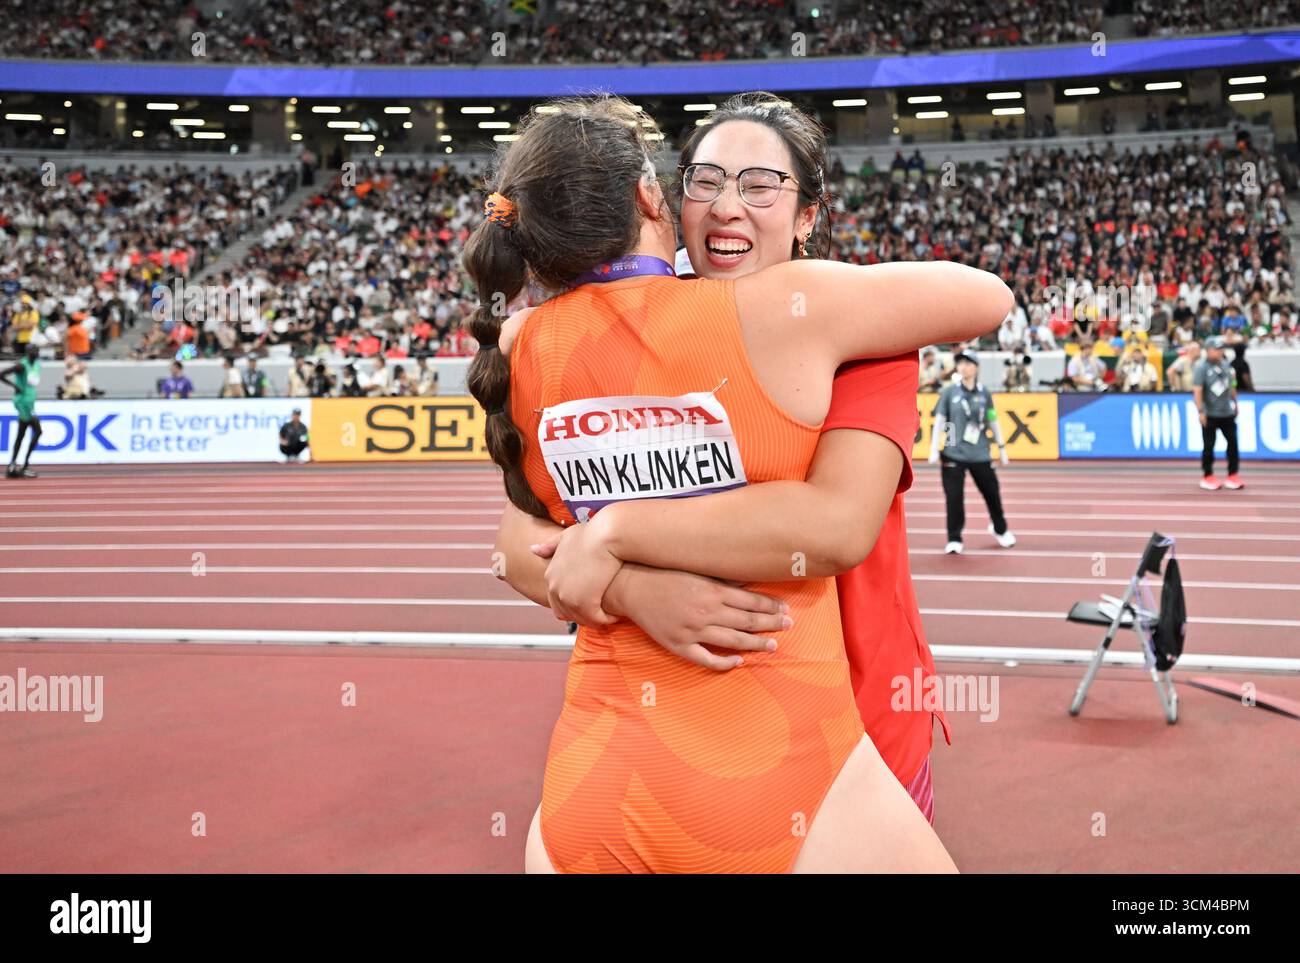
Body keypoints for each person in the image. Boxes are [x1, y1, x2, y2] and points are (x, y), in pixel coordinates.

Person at [467, 96, 1011, 874]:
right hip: (786, 744)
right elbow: (517, 545)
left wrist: (612, 537)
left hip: (851, 717)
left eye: (761, 186)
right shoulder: (771, 318)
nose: (726, 204)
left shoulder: (862, 338)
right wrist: (633, 591)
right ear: (662, 198)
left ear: (807, 216)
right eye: (706, 180)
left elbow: (832, 526)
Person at [928, 351, 1016, 555]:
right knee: (954, 498)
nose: (963, 366)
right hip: (953, 454)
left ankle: (1000, 529)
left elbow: (992, 420)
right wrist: (935, 449)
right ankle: (954, 538)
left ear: (976, 367)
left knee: (992, 493)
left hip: (980, 453)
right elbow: (942, 422)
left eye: (968, 363)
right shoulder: (949, 393)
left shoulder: (984, 393)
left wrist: (1001, 448)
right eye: (960, 363)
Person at [1194, 336, 1242, 490]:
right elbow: (1198, 390)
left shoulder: (1226, 365)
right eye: (1217, 349)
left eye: (1222, 349)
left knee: (1233, 444)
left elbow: (1232, 385)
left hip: (1227, 413)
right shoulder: (1201, 368)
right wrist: (1201, 411)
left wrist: (1235, 403)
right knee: (1209, 445)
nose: (1220, 352)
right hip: (1210, 414)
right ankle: (1208, 475)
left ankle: (1233, 474)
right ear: (1208, 350)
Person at [2, 343, 42, 479]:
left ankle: (13, 465)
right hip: (23, 402)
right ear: (28, 352)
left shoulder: (36, 364)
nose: (37, 353)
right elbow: (2, 374)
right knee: (37, 431)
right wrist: (15, 386)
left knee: (22, 433)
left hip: (29, 402)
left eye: (38, 350)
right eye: (34, 351)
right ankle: (23, 465)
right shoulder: (22, 365)